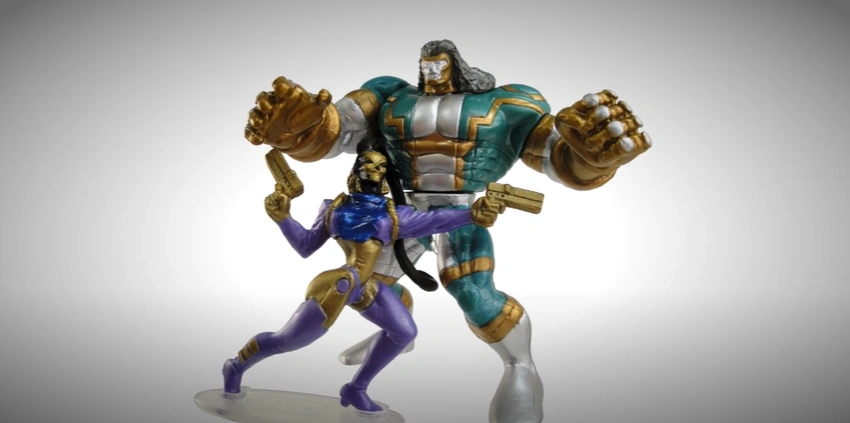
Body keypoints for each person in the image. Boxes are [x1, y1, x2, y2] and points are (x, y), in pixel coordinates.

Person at [242, 39, 652, 422]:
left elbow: (555, 156)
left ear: (456, 66)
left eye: (439, 64)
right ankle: (398, 333)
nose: (431, 71)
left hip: (462, 208)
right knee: (368, 282)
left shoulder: (508, 102)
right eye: (426, 64)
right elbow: (336, 133)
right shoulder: (389, 94)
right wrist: (300, 129)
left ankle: (519, 365)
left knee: (470, 290)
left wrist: (592, 159)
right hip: (403, 209)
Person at [222, 137, 502, 412]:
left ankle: (356, 388)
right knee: (288, 340)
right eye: (367, 162)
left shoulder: (393, 214)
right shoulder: (334, 207)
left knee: (404, 332)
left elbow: (435, 220)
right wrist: (283, 218)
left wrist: (472, 214)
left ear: (385, 175)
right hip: (338, 284)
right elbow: (305, 245)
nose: (373, 168)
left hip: (366, 286)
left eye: (380, 166)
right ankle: (235, 366)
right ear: (356, 168)